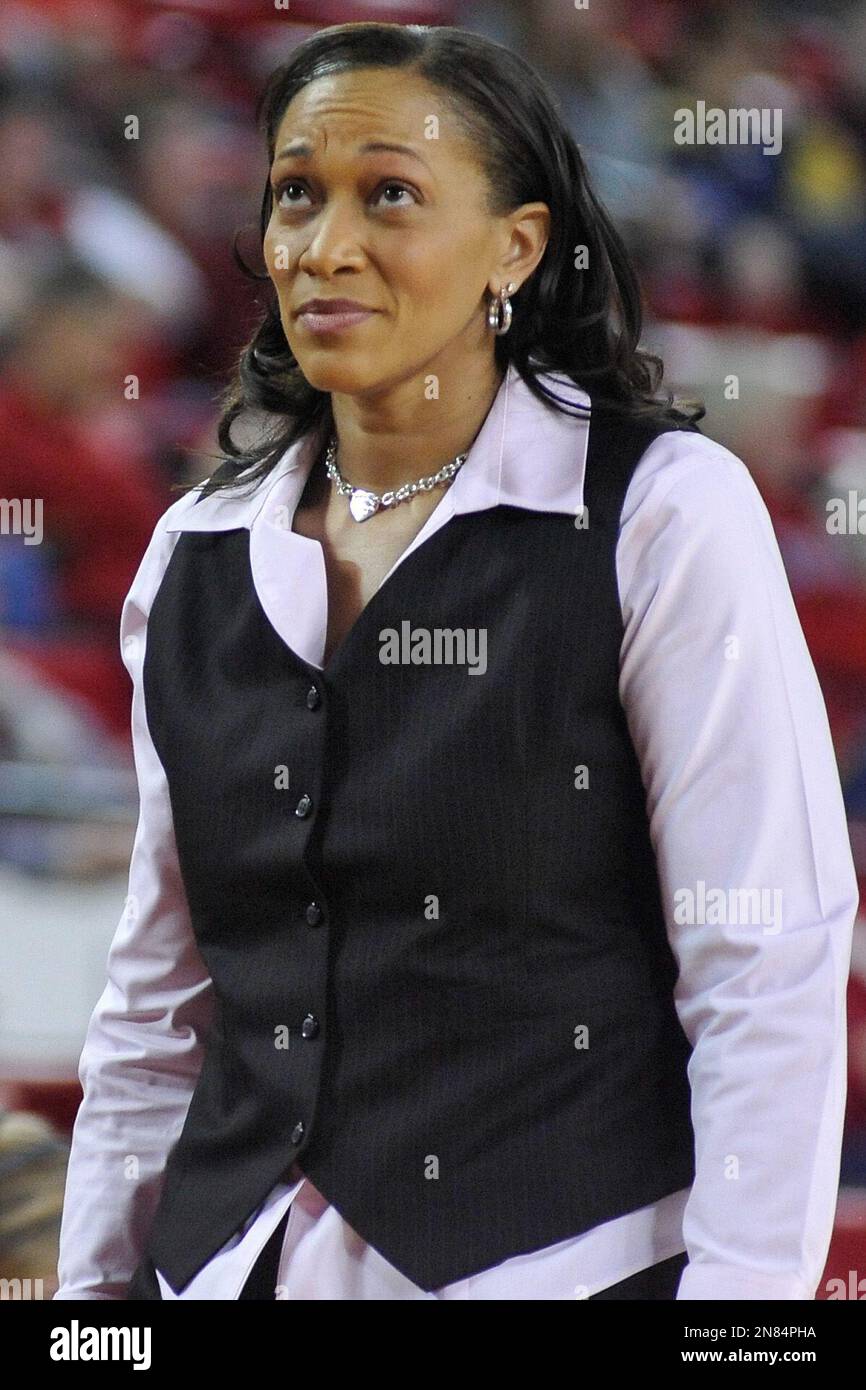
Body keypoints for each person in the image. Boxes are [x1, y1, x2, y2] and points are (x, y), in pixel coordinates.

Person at [54, 22, 858, 1302]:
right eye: (295, 196)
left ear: (516, 248)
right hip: (217, 1273)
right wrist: (94, 1303)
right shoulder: (194, 548)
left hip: (563, 1266)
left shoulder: (661, 511)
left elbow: (761, 960)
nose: (323, 246)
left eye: (390, 195)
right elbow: (160, 1002)